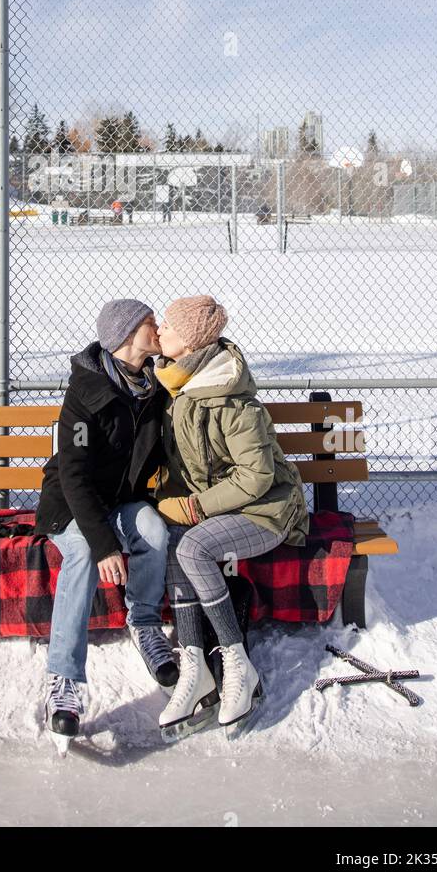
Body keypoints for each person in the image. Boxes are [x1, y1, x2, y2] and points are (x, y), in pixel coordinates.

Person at [152, 295, 309, 740]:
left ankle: (238, 663)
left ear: (189, 340)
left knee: (193, 546)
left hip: (266, 511)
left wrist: (197, 506)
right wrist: (171, 502)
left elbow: (257, 477)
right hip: (220, 508)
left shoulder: (233, 402)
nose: (160, 330)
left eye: (168, 325)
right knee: (175, 534)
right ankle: (195, 664)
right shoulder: (176, 387)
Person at [34, 298, 179, 745]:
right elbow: (73, 475)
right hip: (73, 506)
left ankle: (145, 622)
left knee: (154, 530)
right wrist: (103, 544)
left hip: (123, 501)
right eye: (149, 322)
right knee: (79, 555)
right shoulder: (85, 392)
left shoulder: (154, 387)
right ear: (124, 336)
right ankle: (64, 681)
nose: (157, 327)